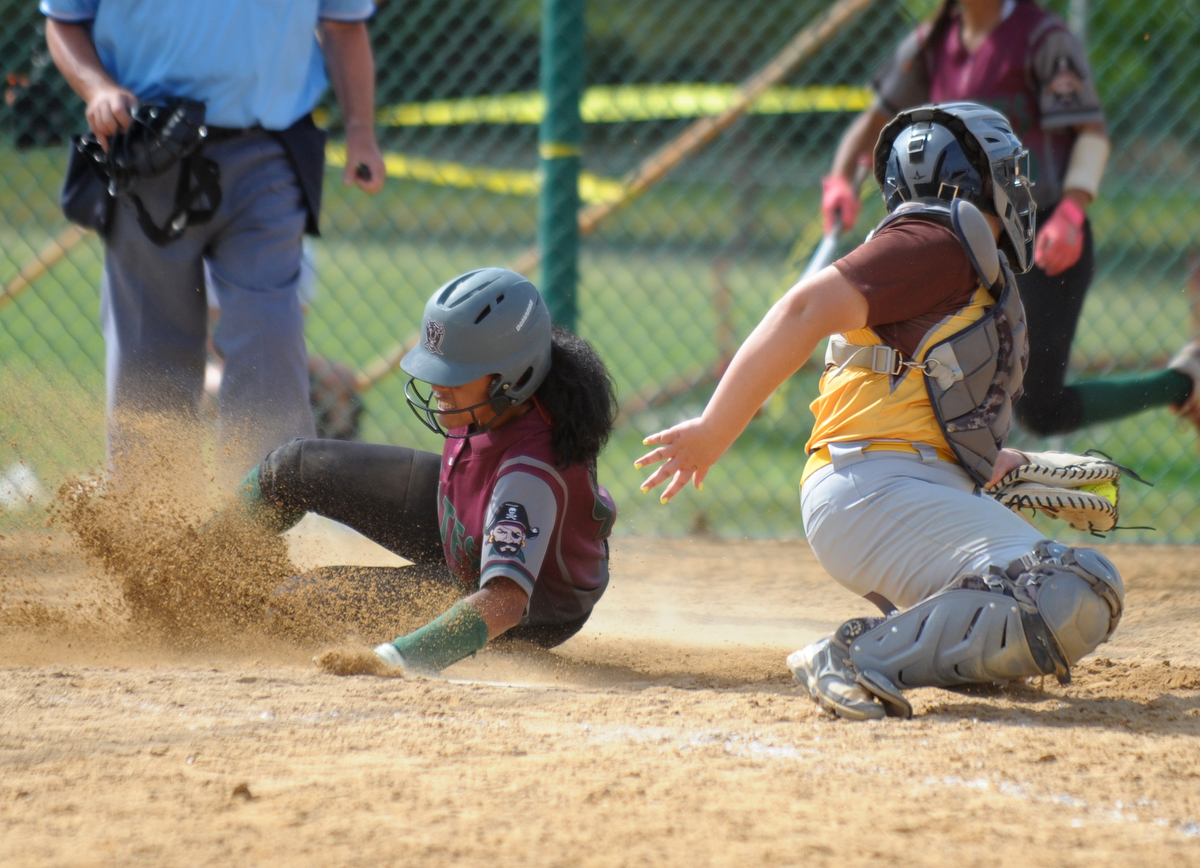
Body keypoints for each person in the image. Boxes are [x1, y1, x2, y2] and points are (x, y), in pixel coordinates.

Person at [637, 102, 1124, 720]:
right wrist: (713, 430)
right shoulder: (936, 241)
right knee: (1070, 589)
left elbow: (918, 405)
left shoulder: (957, 258)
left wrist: (1014, 467)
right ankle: (854, 658)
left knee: (1050, 605)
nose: (1022, 187)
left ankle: (918, 639)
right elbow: (803, 310)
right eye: (1010, 171)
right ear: (972, 181)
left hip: (894, 481)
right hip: (874, 488)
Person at [41, 1, 386, 494]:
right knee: (149, 346)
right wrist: (97, 88)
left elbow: (344, 25)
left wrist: (361, 132)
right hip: (148, 143)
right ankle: (151, 522)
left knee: (271, 336)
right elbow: (65, 19)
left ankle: (264, 525)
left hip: (269, 149)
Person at [821, 0, 1200, 438]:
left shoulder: (1043, 38)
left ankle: (1184, 381)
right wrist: (840, 178)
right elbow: (873, 122)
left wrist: (1072, 213)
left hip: (1041, 236)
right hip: (956, 244)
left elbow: (1090, 138)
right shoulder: (931, 42)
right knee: (938, 381)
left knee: (1039, 410)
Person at [228, 268, 618, 676]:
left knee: (297, 604)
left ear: (513, 377)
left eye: (454, 373)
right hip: (469, 522)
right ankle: (185, 575)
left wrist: (393, 659)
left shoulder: (529, 475)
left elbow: (504, 603)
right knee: (292, 469)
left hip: (526, 603)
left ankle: (207, 621)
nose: (436, 385)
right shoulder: (502, 401)